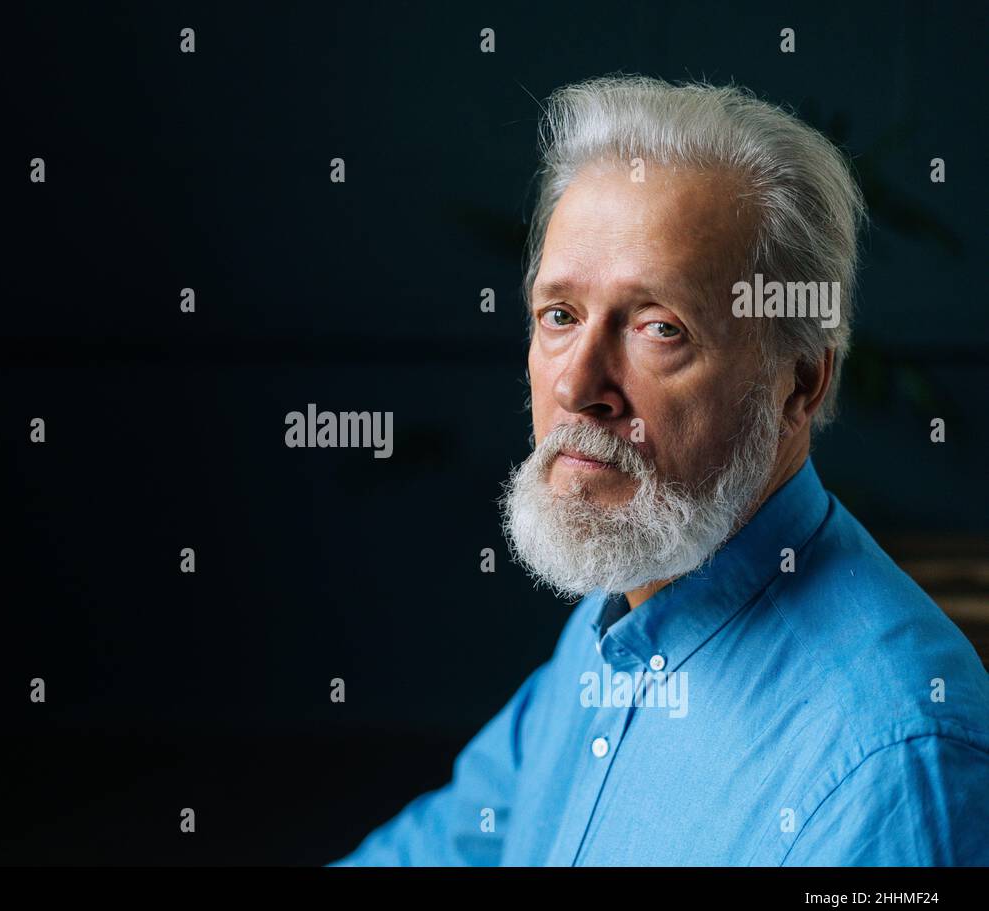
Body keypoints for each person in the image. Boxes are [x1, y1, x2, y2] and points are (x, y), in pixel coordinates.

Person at [328, 75, 989, 866]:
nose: (577, 387)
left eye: (659, 327)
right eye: (560, 316)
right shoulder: (617, 618)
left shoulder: (895, 767)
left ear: (801, 381)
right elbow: (441, 850)